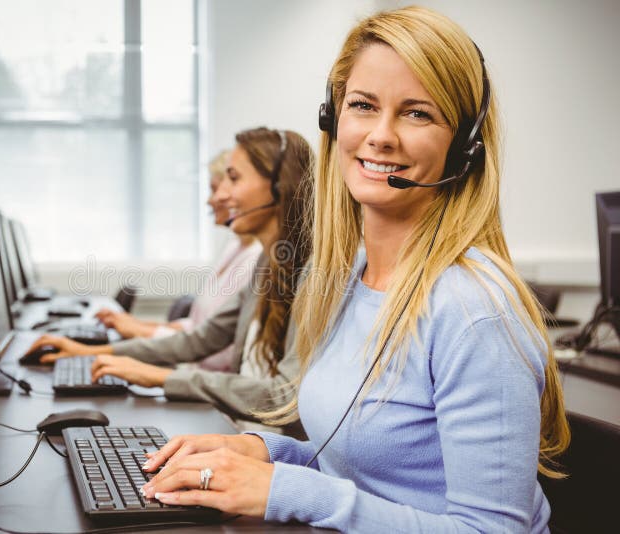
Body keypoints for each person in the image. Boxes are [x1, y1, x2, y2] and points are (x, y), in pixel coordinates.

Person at [135, 7, 570, 532]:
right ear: (332, 118)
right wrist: (259, 451)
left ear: (465, 144)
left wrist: (287, 489)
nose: (381, 136)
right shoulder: (349, 276)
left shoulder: (472, 309)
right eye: (363, 105)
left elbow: (493, 529)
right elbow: (354, 468)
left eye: (417, 113)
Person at [26, 127, 314, 428]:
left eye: (234, 178)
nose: (222, 194)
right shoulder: (266, 263)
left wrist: (163, 377)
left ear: (279, 186)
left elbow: (284, 397)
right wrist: (92, 352)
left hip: (278, 449)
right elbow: (200, 340)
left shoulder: (313, 274)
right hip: (243, 428)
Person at [94, 150, 262, 372]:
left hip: (206, 383)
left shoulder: (255, 259)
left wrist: (143, 332)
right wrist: (142, 325)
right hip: (194, 373)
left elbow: (220, 352)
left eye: (215, 189)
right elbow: (201, 328)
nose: (212, 200)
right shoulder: (234, 247)